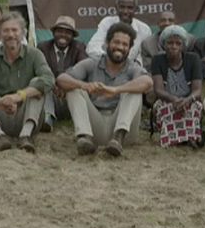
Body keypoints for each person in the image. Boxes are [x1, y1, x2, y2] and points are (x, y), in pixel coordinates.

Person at [58, 21, 153, 156]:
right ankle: (84, 137)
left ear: (130, 48)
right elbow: (61, 79)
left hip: (124, 133)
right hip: (96, 128)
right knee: (74, 89)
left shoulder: (132, 67)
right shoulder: (92, 63)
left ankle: (117, 138)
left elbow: (148, 82)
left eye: (125, 44)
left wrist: (116, 90)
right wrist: (84, 85)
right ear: (107, 43)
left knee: (133, 90)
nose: (120, 47)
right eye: (116, 42)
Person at [0, 14, 53, 153]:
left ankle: (26, 136)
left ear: (22, 33)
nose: (11, 35)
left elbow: (49, 80)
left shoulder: (35, 54)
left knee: (38, 83)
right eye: (6, 31)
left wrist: (18, 97)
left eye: (14, 30)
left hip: (26, 115)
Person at [149, 24, 204, 148]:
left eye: (178, 43)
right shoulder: (157, 60)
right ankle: (173, 139)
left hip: (188, 99)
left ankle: (191, 138)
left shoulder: (193, 59)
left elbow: (197, 90)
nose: (174, 46)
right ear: (164, 44)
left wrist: (187, 100)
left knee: (195, 107)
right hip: (166, 99)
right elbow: (158, 90)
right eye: (170, 43)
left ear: (183, 45)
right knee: (163, 107)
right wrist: (174, 99)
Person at [35, 15, 87, 130]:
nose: (63, 35)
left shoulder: (79, 47)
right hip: (50, 94)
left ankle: (79, 121)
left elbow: (83, 70)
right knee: (40, 84)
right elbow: (39, 70)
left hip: (69, 95)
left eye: (68, 32)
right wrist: (53, 85)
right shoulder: (43, 47)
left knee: (78, 88)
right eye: (60, 31)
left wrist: (66, 85)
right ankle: (48, 119)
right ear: (53, 33)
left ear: (73, 36)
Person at [86, 0, 152, 66]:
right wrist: (112, 60)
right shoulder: (107, 22)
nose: (125, 11)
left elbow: (143, 56)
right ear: (116, 7)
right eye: (122, 7)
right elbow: (92, 48)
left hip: (131, 70)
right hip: (106, 66)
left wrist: (128, 66)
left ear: (136, 9)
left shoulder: (144, 29)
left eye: (130, 8)